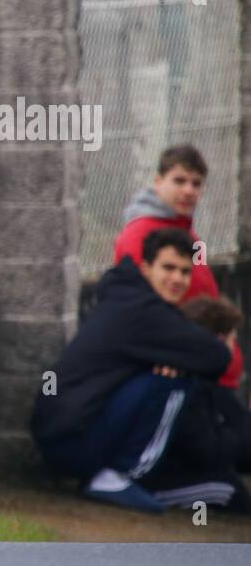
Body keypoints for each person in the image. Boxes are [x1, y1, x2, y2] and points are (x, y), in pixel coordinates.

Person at [31, 228, 232, 512]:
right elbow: (217, 356)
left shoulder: (126, 299)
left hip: (62, 439)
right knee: (174, 382)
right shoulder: (143, 313)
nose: (177, 279)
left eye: (185, 272)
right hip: (74, 442)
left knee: (170, 370)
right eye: (168, 268)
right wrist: (178, 363)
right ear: (145, 268)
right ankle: (122, 475)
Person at [113, 144, 243, 389]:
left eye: (196, 183)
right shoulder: (139, 234)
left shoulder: (190, 235)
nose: (188, 190)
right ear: (158, 181)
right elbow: (142, 309)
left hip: (210, 367)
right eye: (179, 180)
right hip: (183, 371)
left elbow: (207, 292)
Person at [141, 295, 251, 513]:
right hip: (160, 482)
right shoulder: (186, 384)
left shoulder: (209, 385)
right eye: (232, 341)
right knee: (230, 491)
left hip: (187, 473)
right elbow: (204, 452)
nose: (233, 350)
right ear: (219, 341)